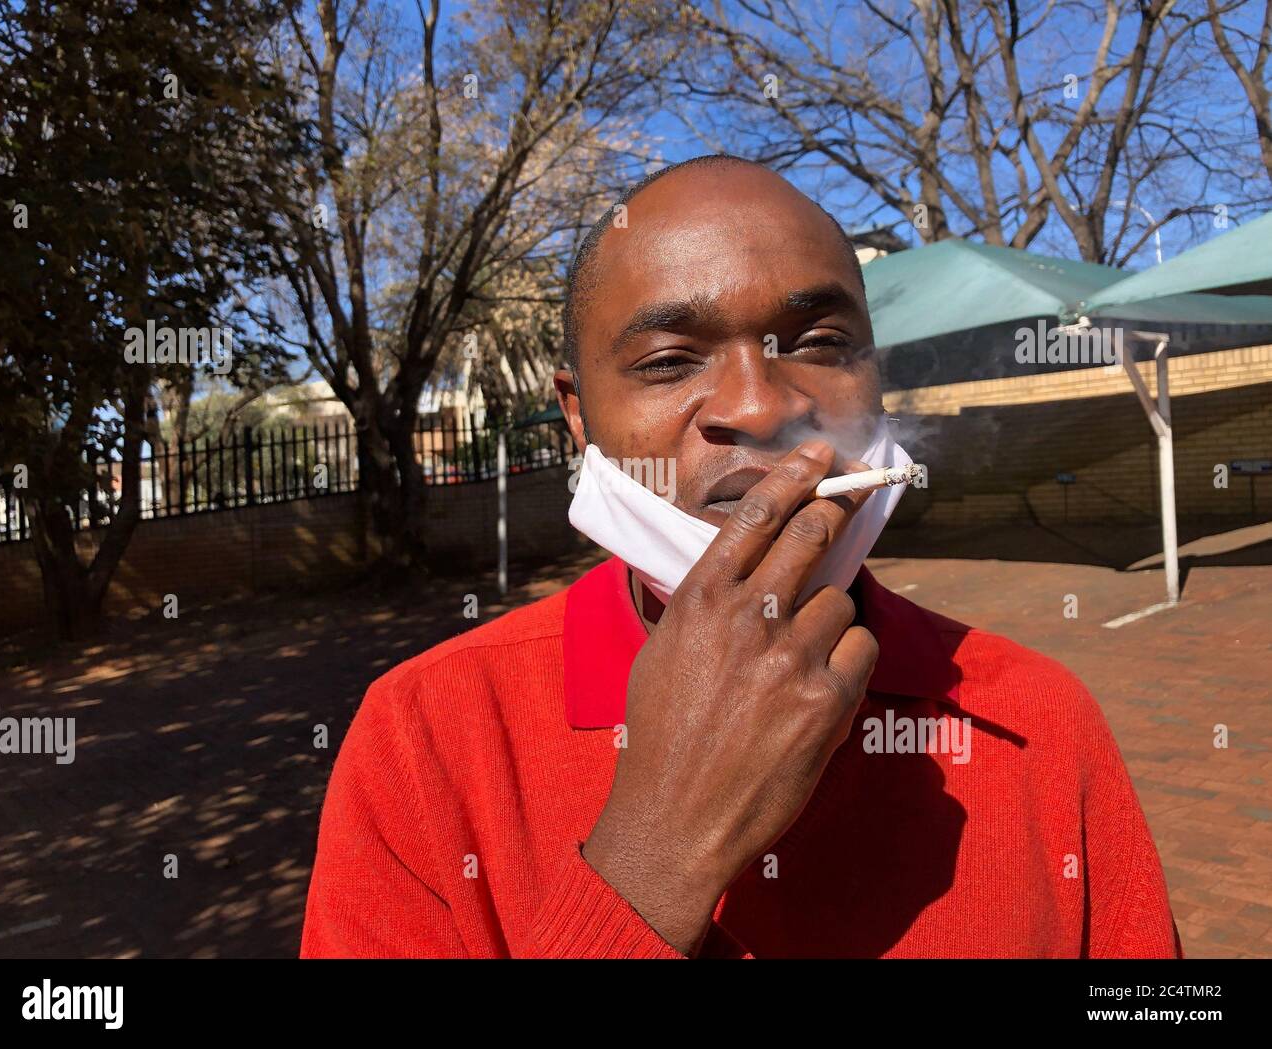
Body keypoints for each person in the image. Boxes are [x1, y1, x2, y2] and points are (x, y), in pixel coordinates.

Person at [300, 155, 1183, 958]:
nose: (761, 407)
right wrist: (657, 853)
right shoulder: (423, 738)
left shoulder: (1040, 717)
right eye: (669, 360)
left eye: (819, 343)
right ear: (578, 414)